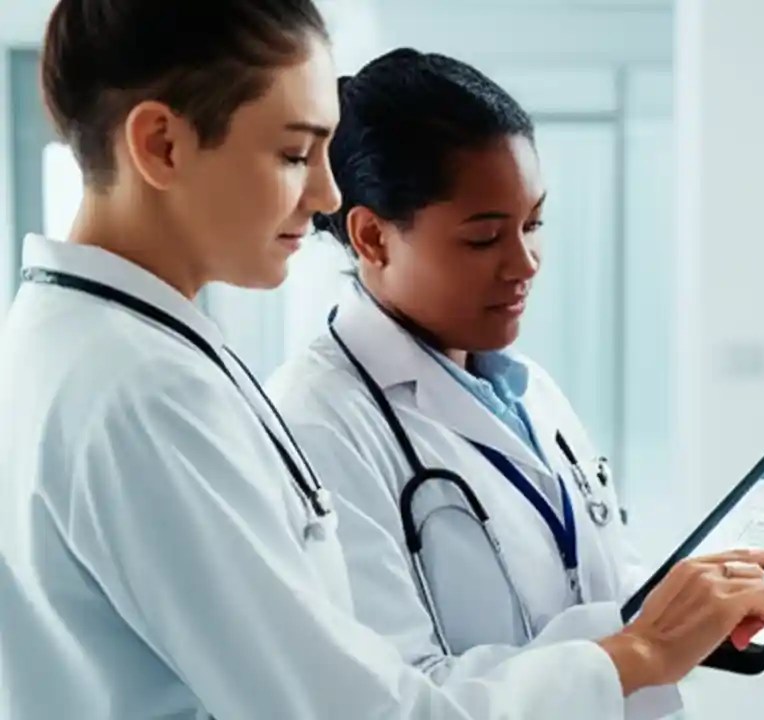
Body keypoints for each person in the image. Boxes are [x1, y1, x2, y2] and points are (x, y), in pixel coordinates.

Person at [0, 3, 764, 718]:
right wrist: (636, 653)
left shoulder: (92, 346)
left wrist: (670, 625)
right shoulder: (142, 390)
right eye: (293, 153)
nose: (325, 199)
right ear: (161, 144)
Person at [266, 48, 723, 719]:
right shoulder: (315, 423)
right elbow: (392, 696)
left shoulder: (529, 391)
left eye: (532, 223)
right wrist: (637, 651)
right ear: (372, 237)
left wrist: (705, 601)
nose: (526, 262)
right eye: (484, 239)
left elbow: (604, 585)